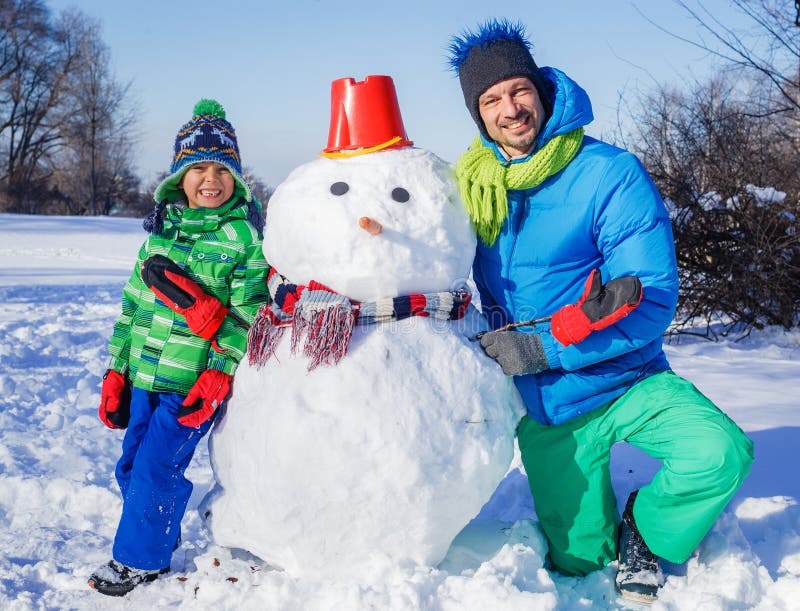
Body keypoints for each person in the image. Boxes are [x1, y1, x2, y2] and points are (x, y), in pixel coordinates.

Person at [447, 19, 753, 603]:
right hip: (549, 405)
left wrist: (542, 349)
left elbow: (653, 298)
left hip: (627, 377)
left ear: (540, 91)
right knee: (581, 558)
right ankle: (593, 534)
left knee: (720, 454)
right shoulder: (473, 184)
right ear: (478, 114)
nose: (509, 109)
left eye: (518, 91)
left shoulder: (609, 173)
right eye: (490, 100)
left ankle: (649, 528)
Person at [88, 99, 268, 597]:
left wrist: (219, 370)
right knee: (130, 466)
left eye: (222, 169)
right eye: (198, 168)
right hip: (144, 376)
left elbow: (249, 313)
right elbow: (132, 308)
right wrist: (117, 370)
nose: (211, 179)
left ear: (236, 177)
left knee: (155, 466)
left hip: (192, 385)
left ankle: (138, 561)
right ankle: (157, 543)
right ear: (178, 178)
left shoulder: (244, 239)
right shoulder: (156, 238)